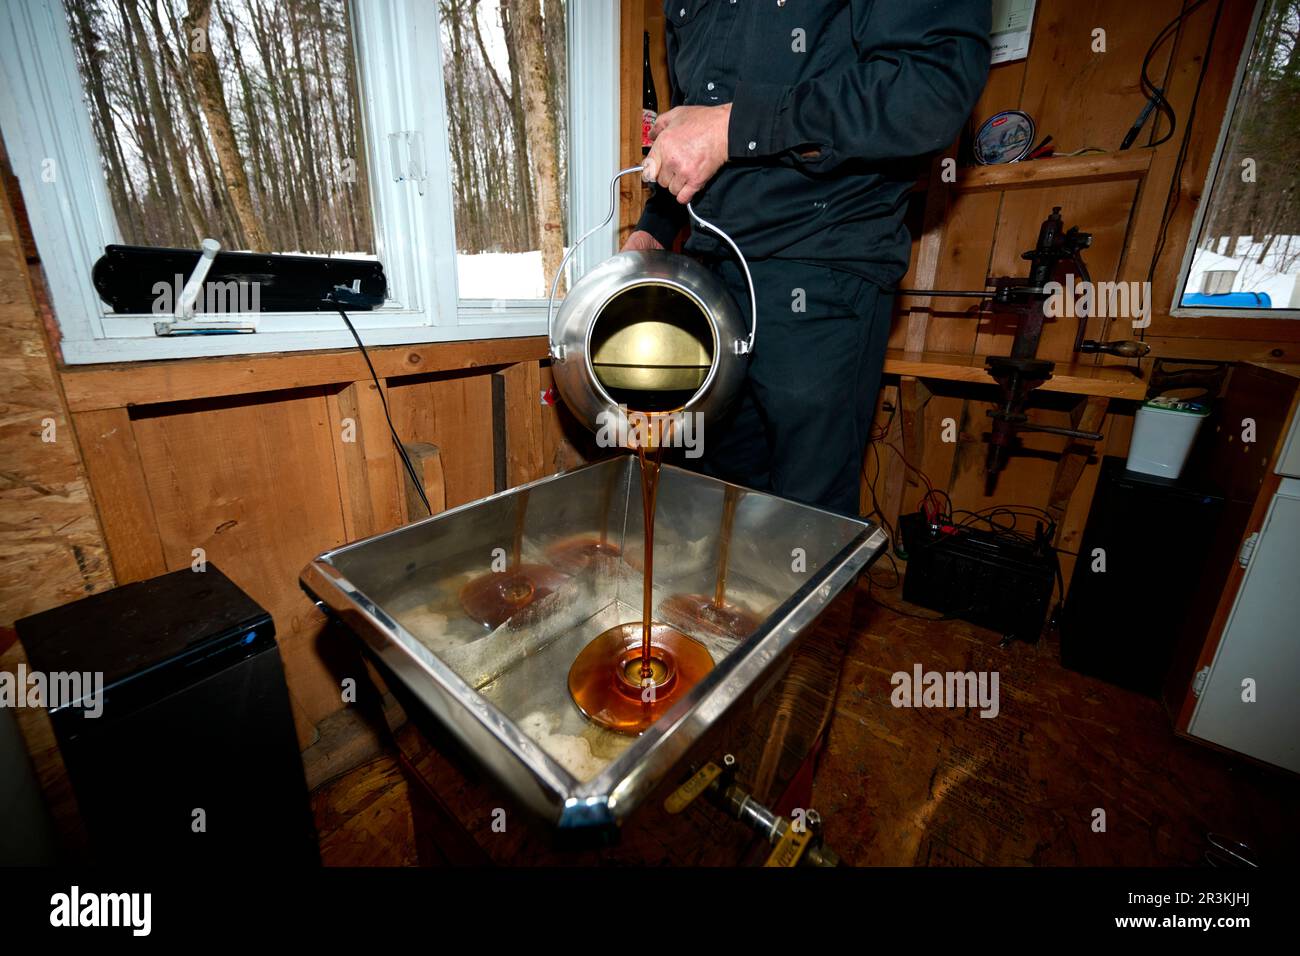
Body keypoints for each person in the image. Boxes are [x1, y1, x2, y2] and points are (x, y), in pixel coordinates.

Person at [628, 0, 991, 516]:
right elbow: (695, 120)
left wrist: (738, 126)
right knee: (715, 506)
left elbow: (931, 88)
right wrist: (654, 230)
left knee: (803, 523)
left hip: (819, 270)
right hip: (713, 282)